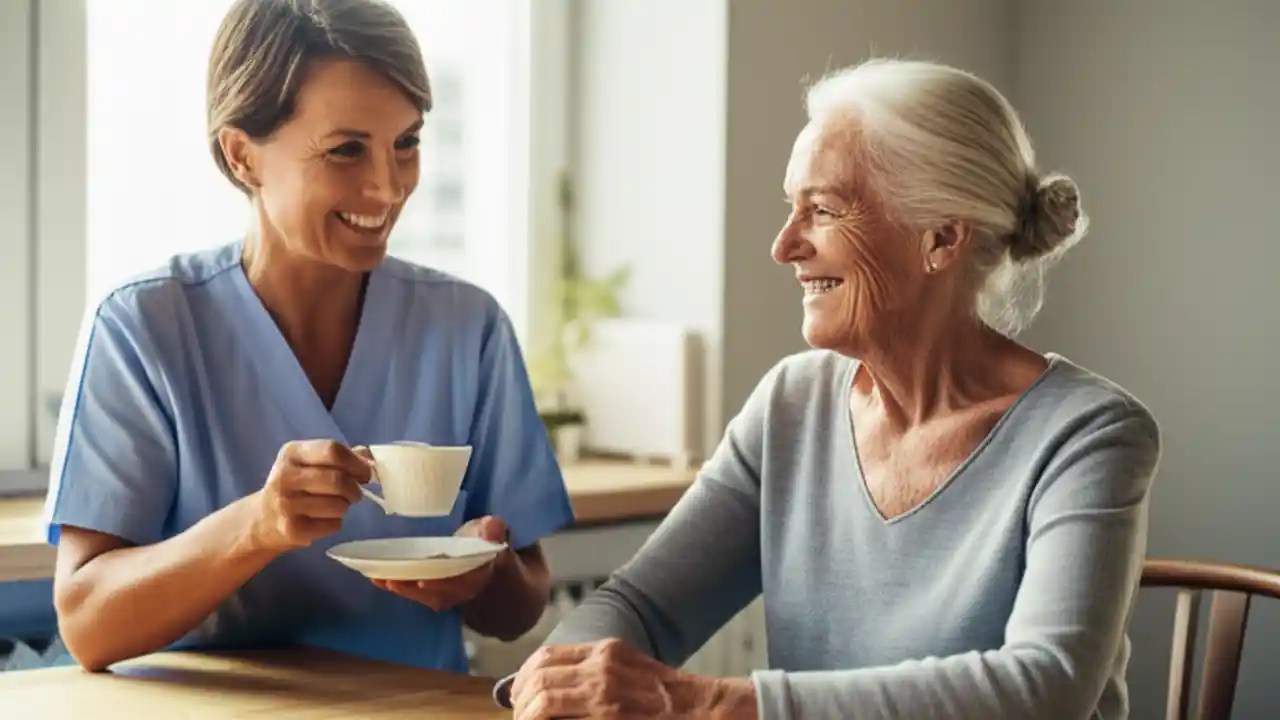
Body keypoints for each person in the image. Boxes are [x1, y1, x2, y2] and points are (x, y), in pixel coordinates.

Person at [503, 59, 1160, 719]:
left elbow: (1047, 686)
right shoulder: (793, 404)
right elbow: (639, 606)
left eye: (821, 210)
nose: (784, 245)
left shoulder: (1089, 433)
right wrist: (562, 684)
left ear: (940, 237)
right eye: (792, 209)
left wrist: (708, 705)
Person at [44, 0, 573, 674]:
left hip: (415, 711)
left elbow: (522, 602)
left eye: (406, 142)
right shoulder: (143, 329)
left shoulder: (467, 328)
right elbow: (88, 622)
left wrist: (482, 572)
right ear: (242, 156)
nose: (386, 186)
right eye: (346, 149)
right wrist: (256, 527)